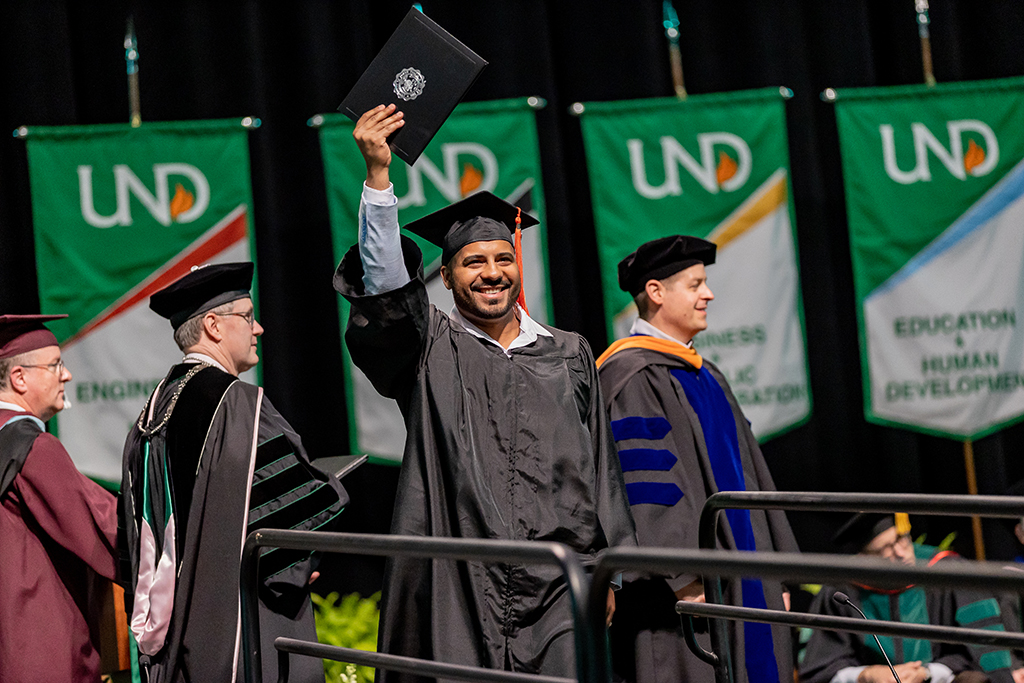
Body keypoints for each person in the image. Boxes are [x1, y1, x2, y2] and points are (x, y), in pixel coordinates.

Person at [333, 104, 636, 679]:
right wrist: (378, 179)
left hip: (559, 583)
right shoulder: (430, 350)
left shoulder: (569, 353)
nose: (492, 272)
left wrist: (609, 571)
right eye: (473, 262)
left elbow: (602, 470)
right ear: (445, 277)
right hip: (460, 578)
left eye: (503, 258)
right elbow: (389, 296)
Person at [119, 263, 348, 683]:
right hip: (242, 625)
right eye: (247, 316)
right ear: (213, 326)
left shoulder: (148, 415)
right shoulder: (238, 405)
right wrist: (301, 558)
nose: (258, 327)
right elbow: (293, 504)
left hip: (175, 634)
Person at [596, 235, 798, 683]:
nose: (708, 294)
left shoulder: (706, 374)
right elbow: (645, 485)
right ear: (655, 292)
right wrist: (685, 576)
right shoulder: (631, 377)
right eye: (695, 285)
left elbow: (754, 476)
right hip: (684, 595)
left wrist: (777, 576)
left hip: (745, 583)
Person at [0, 314, 118, 683]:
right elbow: (100, 524)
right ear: (19, 377)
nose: (66, 375)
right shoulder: (33, 446)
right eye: (55, 365)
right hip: (41, 641)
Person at [800, 512, 1019, 683]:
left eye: (902, 539)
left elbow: (982, 654)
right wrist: (867, 675)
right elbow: (820, 669)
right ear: (866, 560)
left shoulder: (948, 573)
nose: (902, 553)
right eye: (886, 548)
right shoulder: (842, 592)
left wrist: (927, 672)